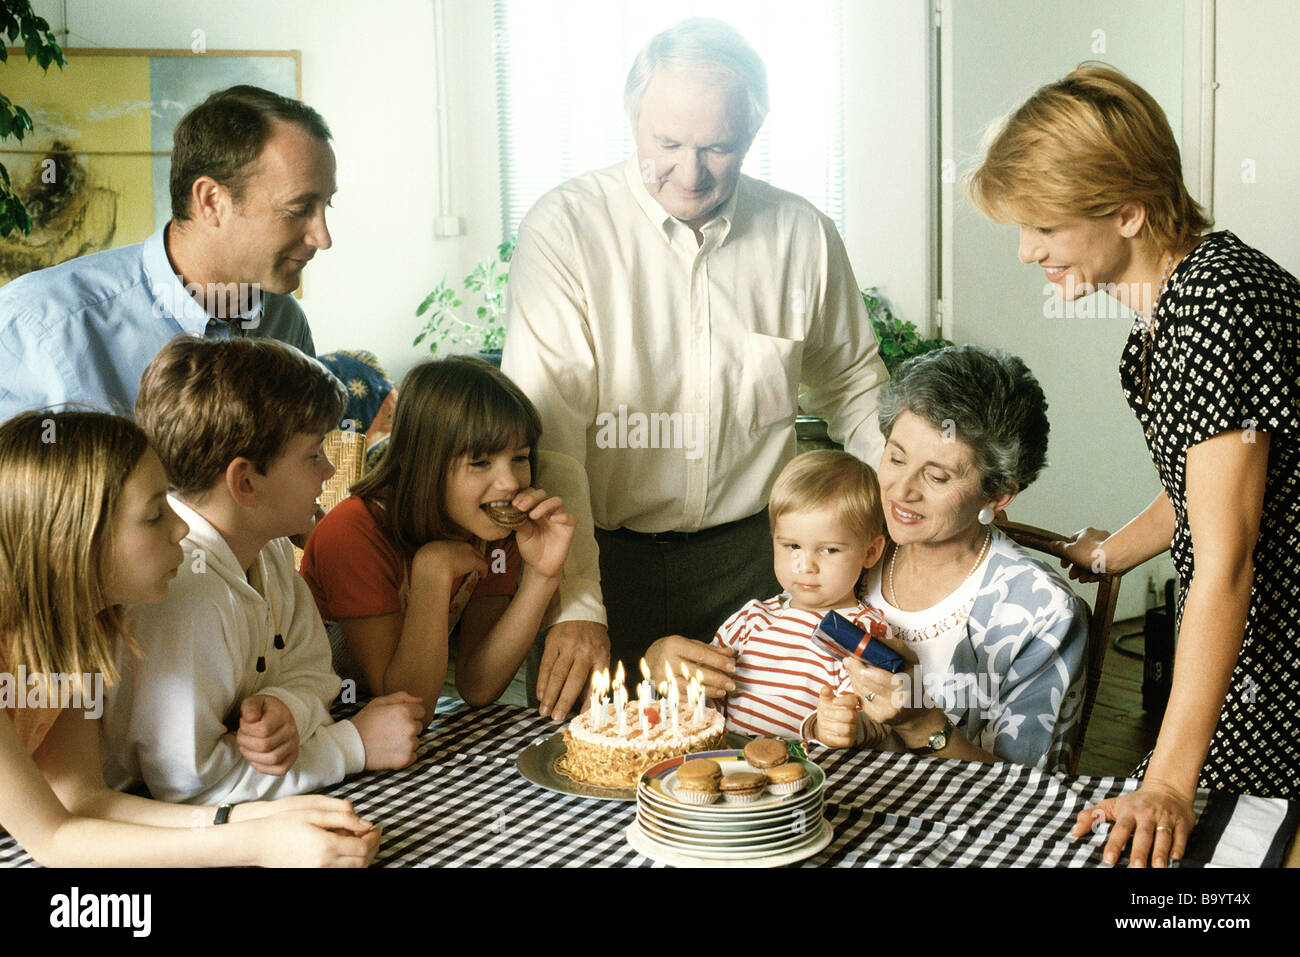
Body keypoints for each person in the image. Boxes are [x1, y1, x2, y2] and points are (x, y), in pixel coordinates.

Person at [502, 17, 890, 723]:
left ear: (756, 127)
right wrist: (579, 599)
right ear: (632, 119)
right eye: (667, 144)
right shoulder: (564, 230)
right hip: (602, 552)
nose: (690, 172)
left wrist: (908, 506)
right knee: (599, 768)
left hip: (758, 563)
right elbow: (551, 437)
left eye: (718, 146)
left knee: (769, 767)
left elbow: (856, 387)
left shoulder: (802, 234)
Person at [968, 63, 1299, 867]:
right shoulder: (1184, 306)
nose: (1025, 251)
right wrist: (1111, 550)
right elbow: (1205, 491)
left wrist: (1169, 781)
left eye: (1043, 225)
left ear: (1127, 211)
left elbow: (1226, 555)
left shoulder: (1213, 312)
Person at [0, 410, 380, 866]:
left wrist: (251, 817)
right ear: (69, 540)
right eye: (155, 513)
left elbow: (83, 799)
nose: (180, 528)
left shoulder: (80, 622)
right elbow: (54, 840)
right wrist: (259, 845)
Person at [100, 337, 423, 805]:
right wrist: (351, 746)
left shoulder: (265, 549)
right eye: (314, 455)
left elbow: (315, 671)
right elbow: (190, 785)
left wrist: (287, 710)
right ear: (246, 482)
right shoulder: (182, 590)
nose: (330, 470)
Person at [0, 85, 335, 420]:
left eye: (326, 204)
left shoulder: (285, 322)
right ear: (211, 202)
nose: (323, 237)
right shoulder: (37, 325)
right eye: (298, 209)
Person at [301, 356, 576, 713]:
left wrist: (542, 575)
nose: (509, 483)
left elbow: (478, 685)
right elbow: (405, 706)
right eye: (480, 462)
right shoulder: (353, 532)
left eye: (520, 458)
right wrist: (432, 573)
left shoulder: (495, 532)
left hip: (396, 726)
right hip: (319, 721)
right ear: (420, 461)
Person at [857, 346, 1086, 771]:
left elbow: (1030, 794)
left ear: (998, 495)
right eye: (895, 457)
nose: (901, 490)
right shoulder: (850, 550)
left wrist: (921, 723)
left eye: (937, 476)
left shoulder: (1043, 613)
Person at [646, 450, 889, 747]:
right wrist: (689, 691)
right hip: (727, 758)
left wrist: (843, 727)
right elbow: (706, 686)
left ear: (870, 552)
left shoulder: (863, 632)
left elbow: (883, 722)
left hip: (810, 769)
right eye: (792, 546)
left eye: (830, 550)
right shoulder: (752, 618)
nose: (806, 565)